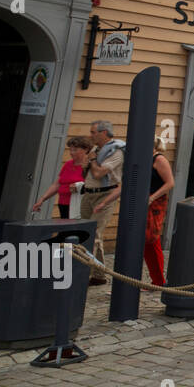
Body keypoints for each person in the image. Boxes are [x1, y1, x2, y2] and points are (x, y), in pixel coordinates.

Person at [82, 119, 125, 284]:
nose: (91, 135)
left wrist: (92, 160)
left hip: (105, 195)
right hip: (89, 194)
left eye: (94, 132)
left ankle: (84, 273)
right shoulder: (95, 150)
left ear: (104, 133)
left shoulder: (115, 152)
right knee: (90, 234)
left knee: (93, 235)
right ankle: (99, 275)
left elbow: (99, 174)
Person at [31, 136, 92, 220]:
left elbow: (92, 185)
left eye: (75, 150)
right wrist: (42, 199)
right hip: (63, 203)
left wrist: (79, 185)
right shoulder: (68, 164)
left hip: (78, 206)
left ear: (86, 150)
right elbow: (57, 184)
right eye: (70, 150)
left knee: (72, 231)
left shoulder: (90, 166)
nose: (71, 152)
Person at [144, 137, 175, 287]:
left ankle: (158, 280)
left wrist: (152, 198)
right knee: (143, 242)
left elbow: (170, 182)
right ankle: (155, 279)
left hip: (155, 204)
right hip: (143, 203)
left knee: (151, 239)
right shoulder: (144, 159)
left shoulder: (159, 159)